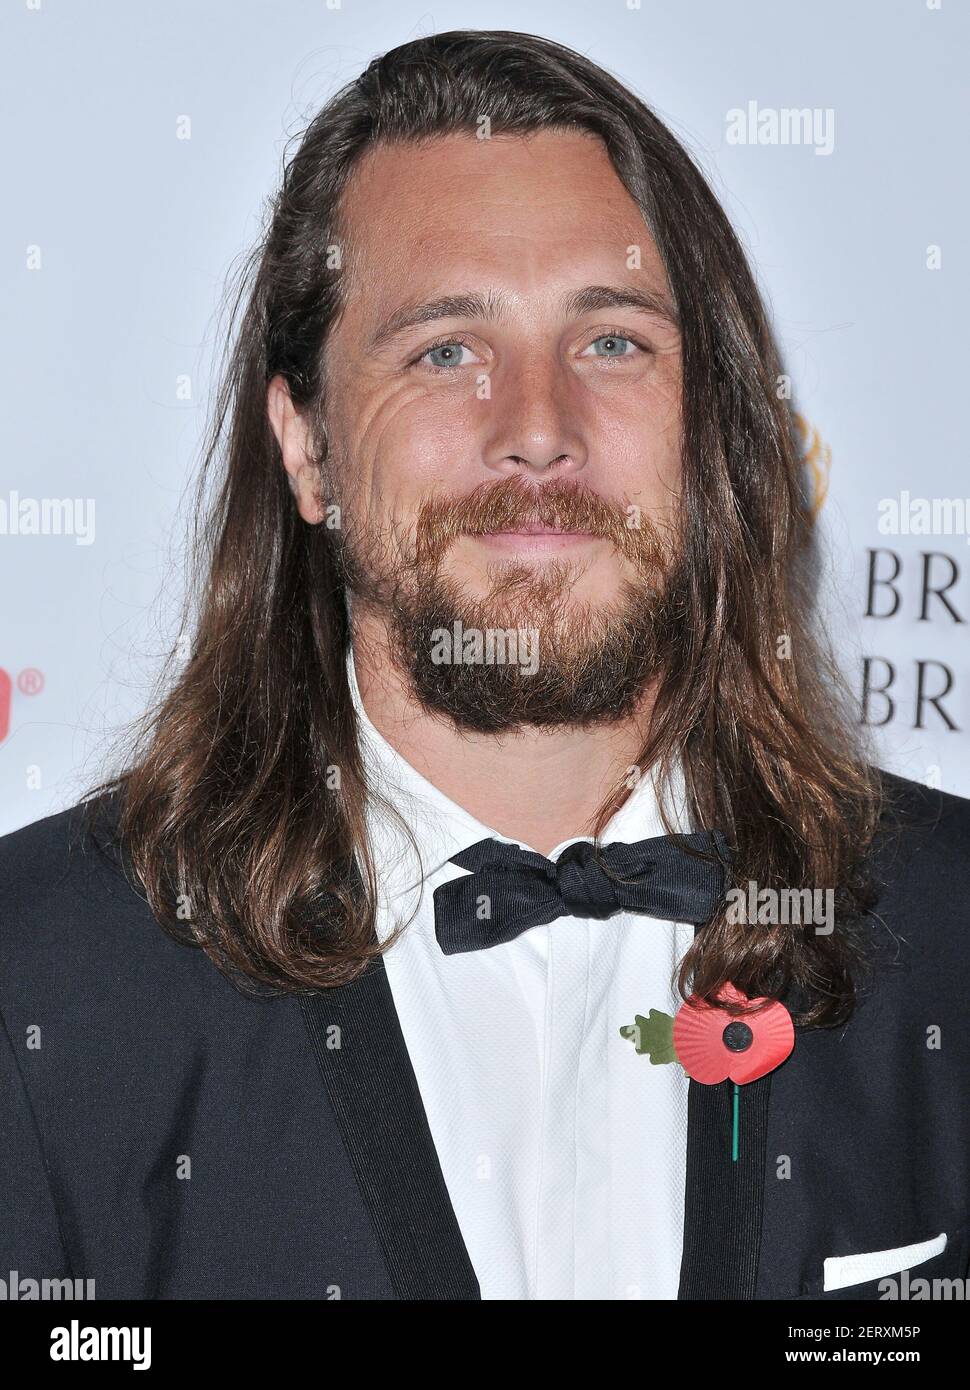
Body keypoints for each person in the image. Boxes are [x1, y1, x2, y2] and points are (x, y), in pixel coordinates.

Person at [2, 29, 968, 1302]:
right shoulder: (47, 980)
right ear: (307, 448)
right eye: (445, 349)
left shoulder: (947, 934)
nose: (536, 432)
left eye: (612, 340)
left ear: (718, 424)